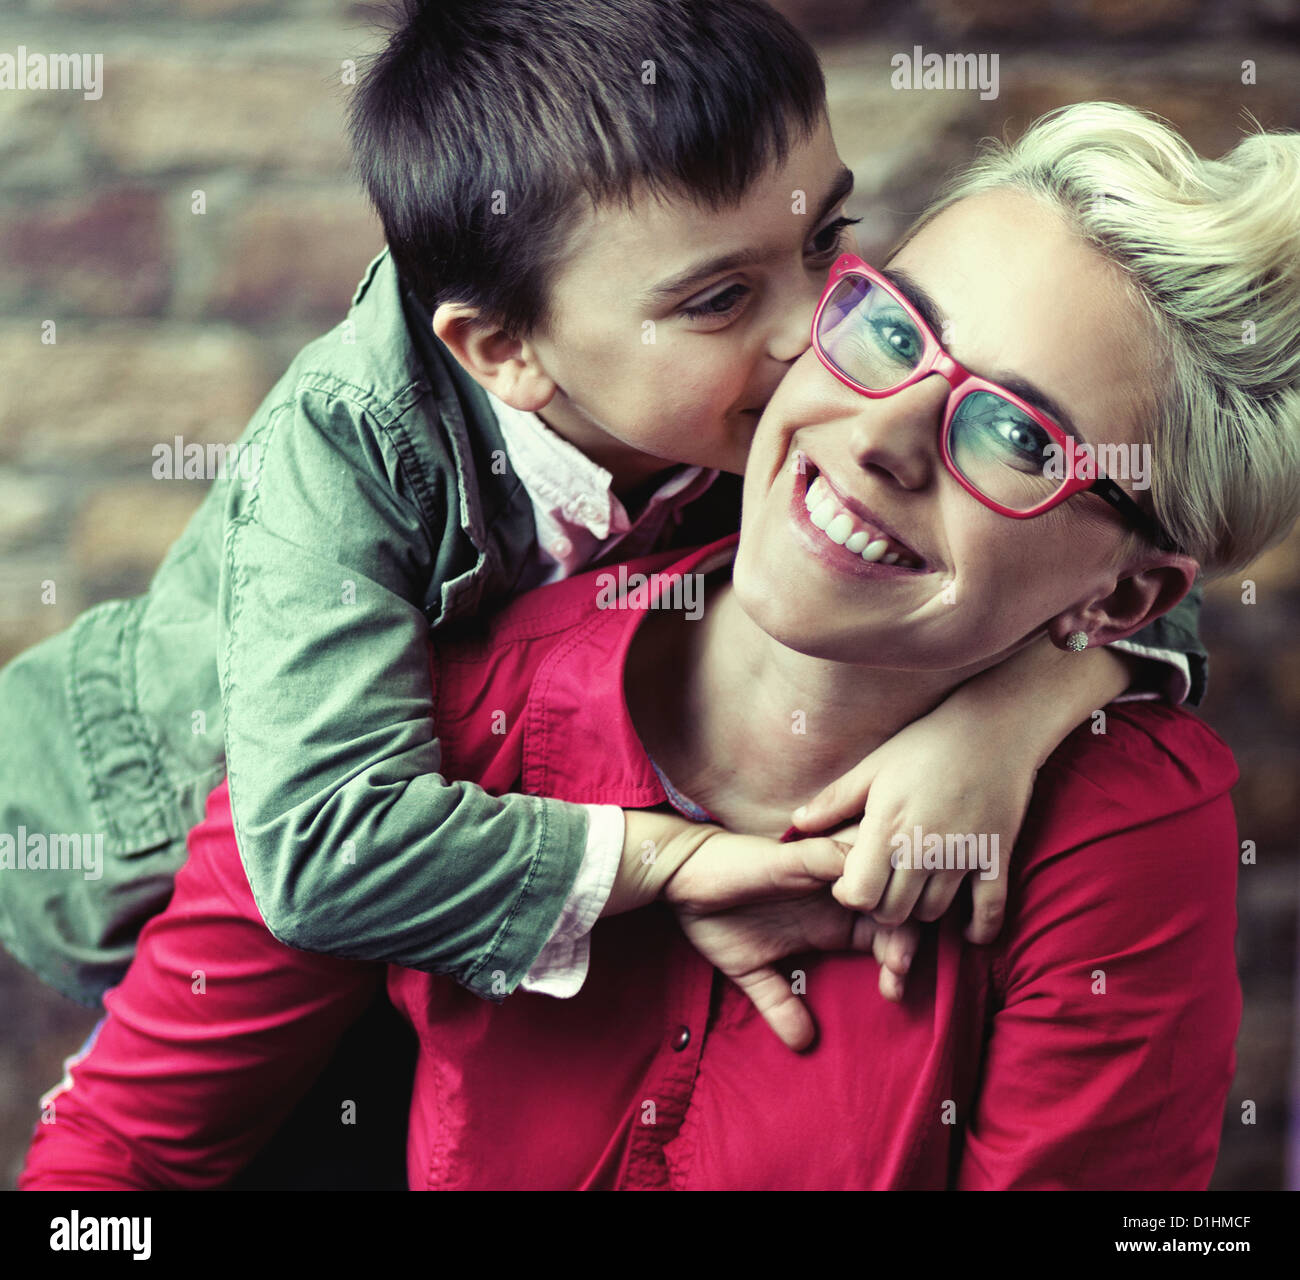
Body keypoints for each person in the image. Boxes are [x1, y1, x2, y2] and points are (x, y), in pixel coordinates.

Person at [22, 101, 1297, 1191]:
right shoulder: (429, 701)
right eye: (892, 331)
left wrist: (1026, 705)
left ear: (1126, 603)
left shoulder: (1117, 829)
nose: (877, 435)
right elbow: (116, 1172)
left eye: (1015, 437)